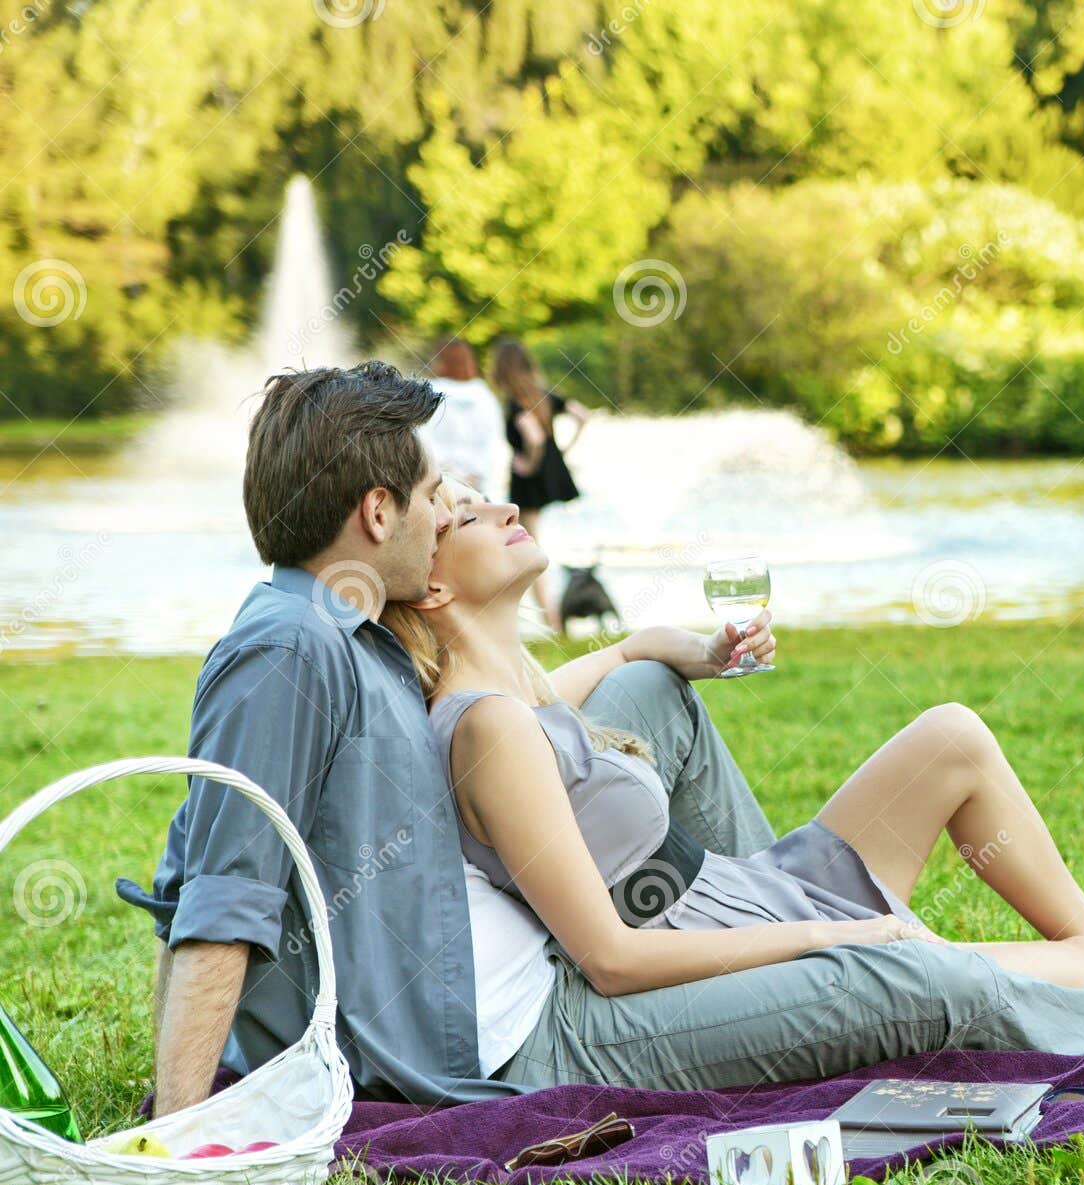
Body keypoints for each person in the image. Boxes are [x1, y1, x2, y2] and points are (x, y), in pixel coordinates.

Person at [380, 485, 1084, 1094]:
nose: (508, 508)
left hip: (745, 890)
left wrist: (655, 644)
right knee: (963, 972)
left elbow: (552, 696)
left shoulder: (508, 696)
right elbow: (609, 959)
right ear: (431, 588)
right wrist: (839, 937)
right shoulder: (485, 728)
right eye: (469, 514)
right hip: (705, 949)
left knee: (951, 739)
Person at [117, 363, 777, 1114]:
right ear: (376, 513)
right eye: (434, 498)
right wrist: (174, 1134)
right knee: (904, 984)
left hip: (516, 982)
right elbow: (219, 898)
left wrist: (632, 649)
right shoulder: (291, 652)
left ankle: (774, 909)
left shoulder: (353, 634)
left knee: (650, 690)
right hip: (489, 1036)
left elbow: (495, 723)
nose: (443, 517)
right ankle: (799, 946)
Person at [490, 338, 589, 630]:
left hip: (529, 483)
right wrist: (564, 450)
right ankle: (556, 617)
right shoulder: (545, 395)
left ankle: (553, 623)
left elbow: (532, 437)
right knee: (541, 544)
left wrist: (530, 463)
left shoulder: (514, 403)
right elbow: (583, 416)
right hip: (553, 477)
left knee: (530, 549)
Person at [417, 336, 507, 496]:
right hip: (479, 484)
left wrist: (451, 472)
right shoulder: (484, 396)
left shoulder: (429, 393)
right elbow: (495, 441)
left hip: (442, 482)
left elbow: (423, 438)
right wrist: (477, 473)